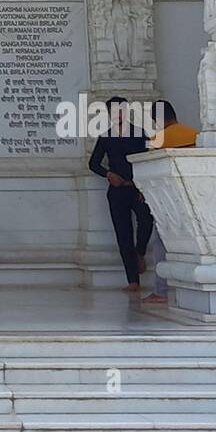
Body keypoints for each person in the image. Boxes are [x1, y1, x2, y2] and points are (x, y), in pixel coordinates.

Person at [88, 96, 153, 293]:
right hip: (117, 190)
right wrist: (108, 174)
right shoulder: (106, 137)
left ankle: (140, 252)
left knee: (146, 221)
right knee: (123, 235)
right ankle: (132, 280)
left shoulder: (140, 134)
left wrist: (143, 186)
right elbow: (93, 164)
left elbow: (149, 161)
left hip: (137, 189)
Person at [141, 100, 198, 305]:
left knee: (161, 244)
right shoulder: (193, 134)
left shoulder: (158, 139)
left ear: (156, 119)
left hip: (167, 201)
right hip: (195, 198)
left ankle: (161, 290)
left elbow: (149, 172)